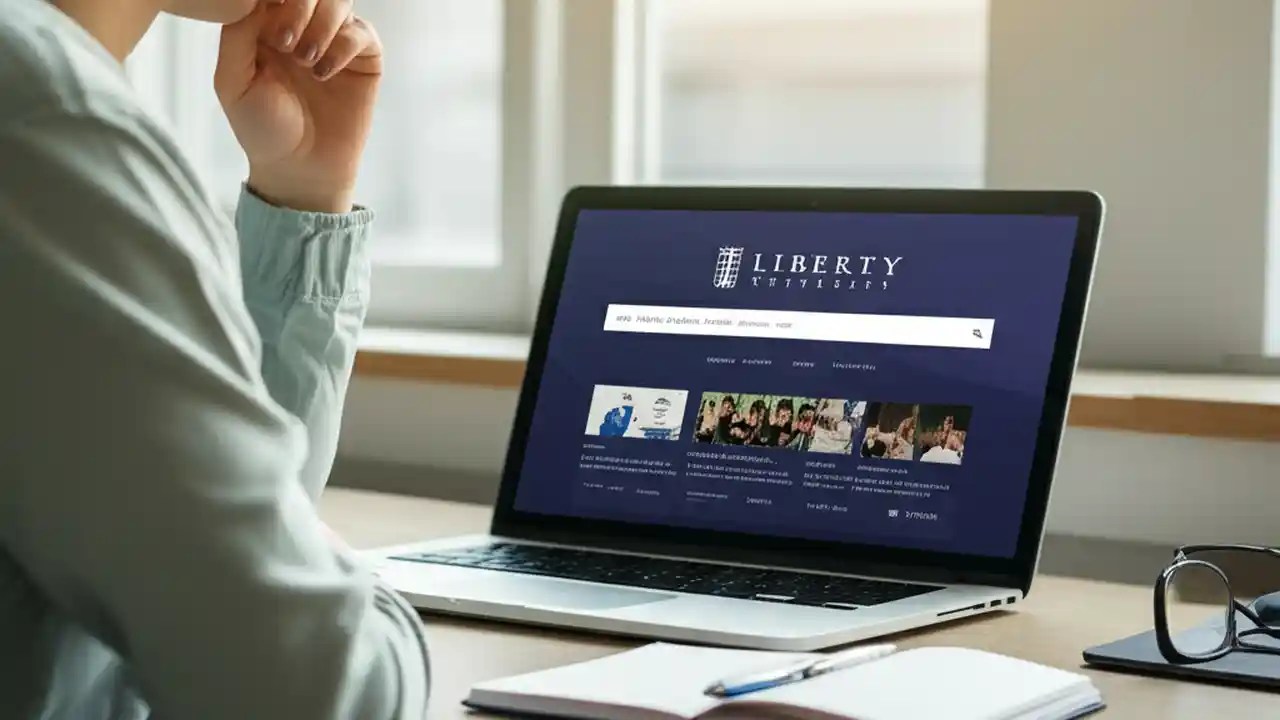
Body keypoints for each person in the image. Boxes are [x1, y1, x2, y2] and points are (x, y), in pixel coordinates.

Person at [1, 1, 431, 718]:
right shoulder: (40, 113)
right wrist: (353, 583)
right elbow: (306, 693)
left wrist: (303, 197)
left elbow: (207, 553)